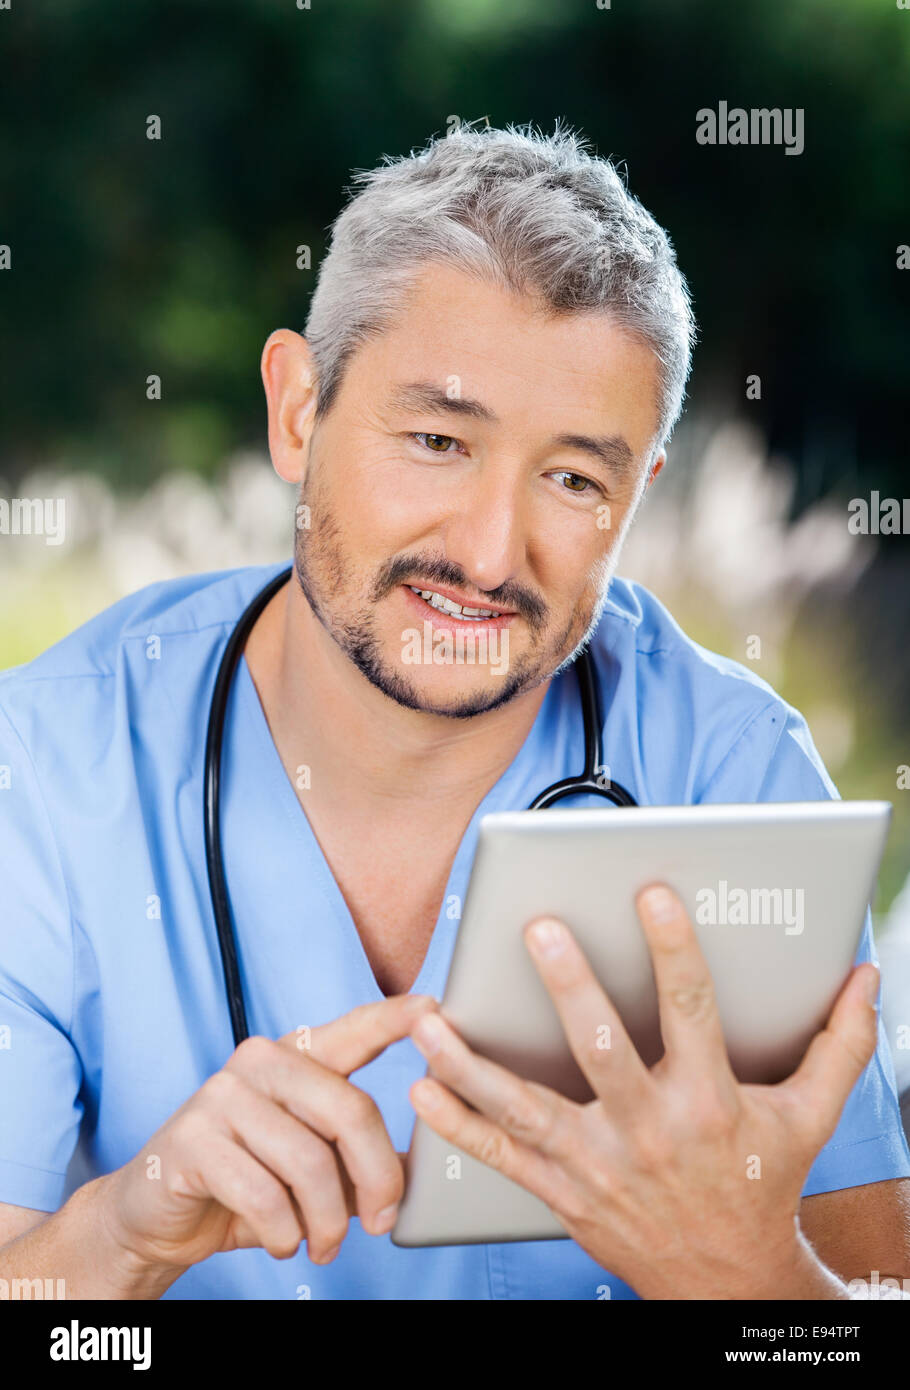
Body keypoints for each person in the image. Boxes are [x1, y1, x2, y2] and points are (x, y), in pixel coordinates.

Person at [1, 123, 908, 1302]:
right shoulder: (45, 768)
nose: (487, 555)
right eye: (436, 440)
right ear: (297, 410)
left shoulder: (731, 771)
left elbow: (866, 1292)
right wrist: (121, 1240)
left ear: (636, 496)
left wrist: (742, 1275)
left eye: (573, 479)